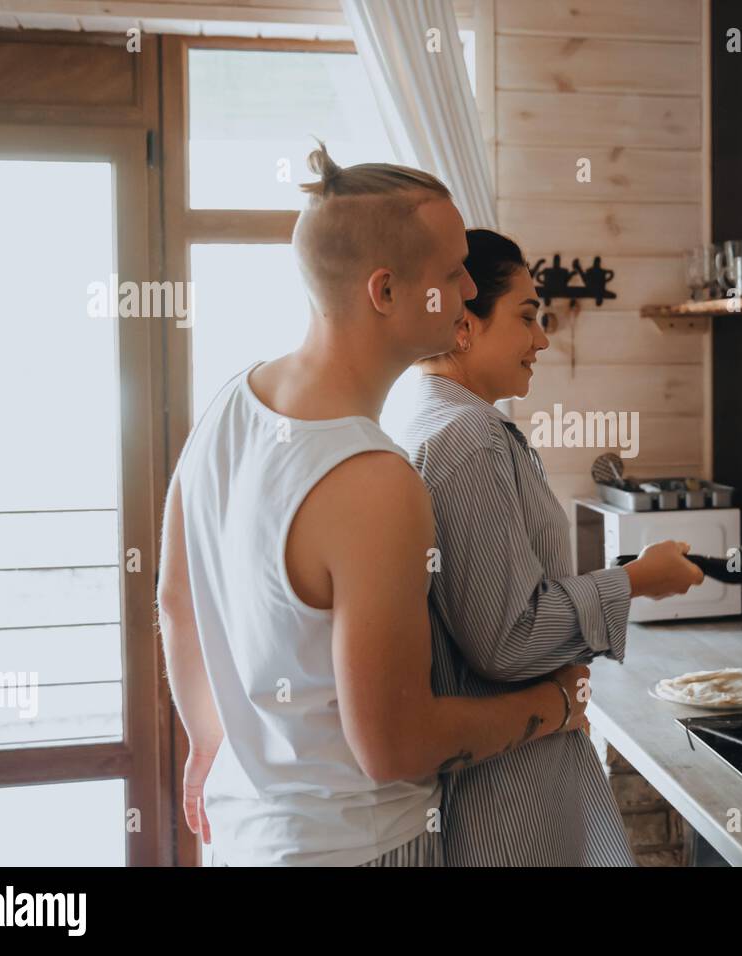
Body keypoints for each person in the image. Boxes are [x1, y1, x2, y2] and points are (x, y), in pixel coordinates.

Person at [156, 148, 588, 866]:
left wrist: (211, 740)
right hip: (357, 848)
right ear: (386, 291)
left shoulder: (228, 405)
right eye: (453, 273)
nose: (466, 290)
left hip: (245, 838)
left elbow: (176, 602)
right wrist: (554, 708)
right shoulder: (375, 481)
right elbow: (394, 746)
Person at [403, 228, 704, 865]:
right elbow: (507, 638)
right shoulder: (471, 437)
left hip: (496, 767)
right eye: (526, 316)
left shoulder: (425, 415)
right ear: (464, 324)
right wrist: (636, 580)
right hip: (509, 792)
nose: (541, 339)